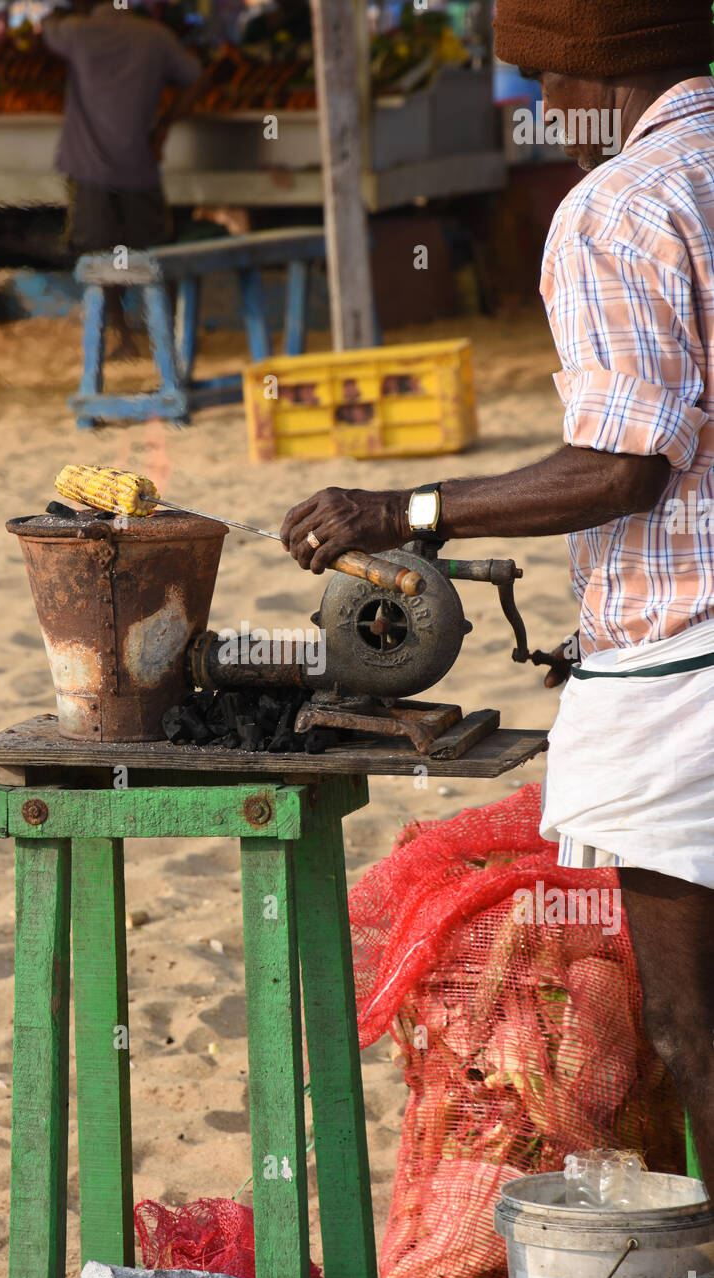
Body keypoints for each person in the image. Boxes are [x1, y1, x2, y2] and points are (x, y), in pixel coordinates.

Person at [280, 0, 714, 1197]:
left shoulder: (621, 207)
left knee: (693, 1034)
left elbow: (625, 462)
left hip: (690, 675)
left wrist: (407, 511)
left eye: (532, 82)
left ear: (587, 73)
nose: (533, 117)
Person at [41, 1, 204, 256]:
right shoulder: (156, 36)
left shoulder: (76, 32)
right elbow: (196, 78)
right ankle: (152, 296)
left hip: (89, 173)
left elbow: (48, 25)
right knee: (153, 262)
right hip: (140, 168)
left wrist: (62, 13)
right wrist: (165, 124)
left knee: (95, 263)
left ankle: (111, 297)